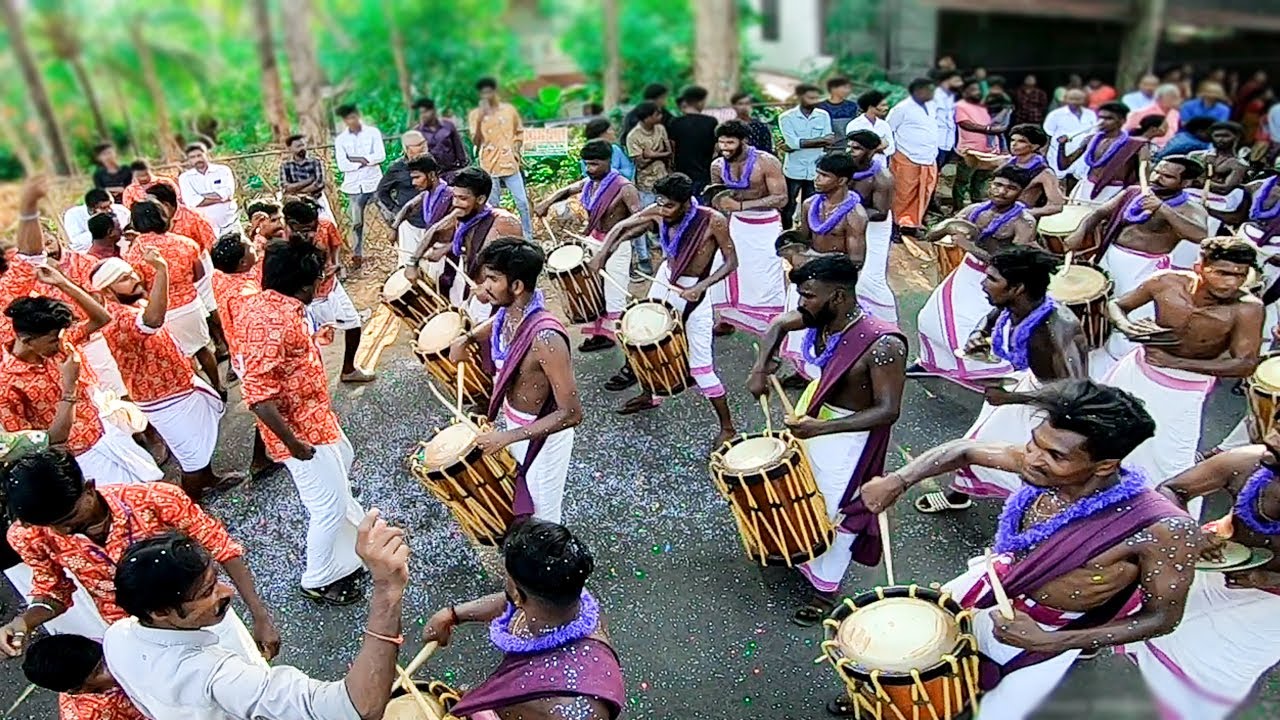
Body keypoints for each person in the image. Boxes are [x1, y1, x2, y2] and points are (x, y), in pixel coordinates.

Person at [858, 379, 1197, 720]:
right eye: (1034, 444)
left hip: (1049, 633)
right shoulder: (1040, 464)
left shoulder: (1162, 529)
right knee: (909, 656)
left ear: (1105, 465)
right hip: (993, 584)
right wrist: (899, 480)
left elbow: (1162, 618)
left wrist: (1050, 643)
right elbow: (964, 449)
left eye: (1055, 456)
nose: (1032, 459)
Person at [104, 514, 405, 720]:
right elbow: (356, 707)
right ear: (160, 612)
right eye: (207, 591)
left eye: (217, 579)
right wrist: (386, 590)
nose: (226, 593)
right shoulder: (216, 677)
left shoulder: (116, 637)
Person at [0, 447, 278, 665]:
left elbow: (224, 548)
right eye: (52, 526)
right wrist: (23, 622)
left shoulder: (155, 500)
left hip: (205, 615)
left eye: (70, 517)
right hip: (140, 638)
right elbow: (53, 592)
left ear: (89, 489)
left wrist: (260, 616)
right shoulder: (29, 536)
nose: (63, 531)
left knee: (249, 682)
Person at [748, 255, 905, 621]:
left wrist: (821, 428)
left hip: (850, 436)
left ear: (837, 297)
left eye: (808, 296)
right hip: (815, 417)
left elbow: (888, 410)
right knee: (801, 491)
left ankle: (825, 590)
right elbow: (778, 323)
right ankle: (800, 548)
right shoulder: (822, 317)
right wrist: (760, 367)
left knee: (838, 510)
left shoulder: (882, 344)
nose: (802, 304)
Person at [239, 239, 367, 606]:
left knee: (343, 461)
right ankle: (318, 577)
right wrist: (294, 444)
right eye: (319, 278)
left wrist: (310, 340)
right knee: (326, 506)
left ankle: (352, 542)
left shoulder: (269, 304)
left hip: (316, 419)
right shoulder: (276, 320)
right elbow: (258, 397)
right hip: (303, 433)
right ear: (305, 285)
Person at [918, 246, 1087, 511]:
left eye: (993, 279)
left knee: (1029, 463)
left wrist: (1013, 398)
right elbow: (995, 315)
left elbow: (1075, 392)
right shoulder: (1018, 304)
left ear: (1018, 288)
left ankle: (1029, 517)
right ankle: (960, 494)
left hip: (1050, 407)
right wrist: (980, 332)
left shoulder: (1054, 332)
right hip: (1024, 388)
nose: (983, 284)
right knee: (977, 442)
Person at [1128, 434, 1280, 720]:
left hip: (1269, 608)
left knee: (1216, 676)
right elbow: (1172, 489)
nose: (1271, 437)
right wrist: (1190, 532)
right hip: (1214, 572)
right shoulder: (1245, 462)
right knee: (1163, 642)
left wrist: (1268, 581)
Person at [421, 519, 624, 718]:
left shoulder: (545, 705)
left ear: (519, 594)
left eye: (508, 581)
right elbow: (508, 602)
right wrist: (452, 614)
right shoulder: (572, 602)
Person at [590, 173, 738, 445]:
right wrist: (602, 253)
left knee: (701, 368)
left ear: (686, 203)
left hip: (694, 292)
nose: (662, 209)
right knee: (641, 340)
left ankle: (727, 427)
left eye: (669, 205)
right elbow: (624, 226)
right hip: (664, 279)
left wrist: (702, 285)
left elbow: (732, 263)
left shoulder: (712, 220)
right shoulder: (660, 209)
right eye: (660, 203)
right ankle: (650, 395)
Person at [1100, 238, 1261, 485]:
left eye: (1239, 275)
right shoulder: (1166, 281)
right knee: (1103, 433)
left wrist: (1173, 363)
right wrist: (1127, 327)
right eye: (1222, 273)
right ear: (1199, 267)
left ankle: (1170, 516)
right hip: (1135, 371)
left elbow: (1245, 365)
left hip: (1184, 391)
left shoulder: (1247, 309)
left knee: (1171, 462)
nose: (1231, 282)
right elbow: (1116, 305)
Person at [449, 239, 583, 524]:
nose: (485, 286)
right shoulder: (510, 312)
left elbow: (572, 413)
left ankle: (551, 565)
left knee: (544, 517)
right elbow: (497, 323)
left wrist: (506, 437)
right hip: (516, 424)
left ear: (518, 286)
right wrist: (468, 337)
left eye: (493, 279)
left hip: (544, 438)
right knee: (524, 497)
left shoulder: (546, 339)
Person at [89, 250, 240, 499]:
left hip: (177, 385)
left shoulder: (133, 304)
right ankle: (189, 507)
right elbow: (153, 321)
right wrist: (161, 270)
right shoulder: (117, 318)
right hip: (163, 397)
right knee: (191, 456)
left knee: (197, 444)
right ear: (106, 291)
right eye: (125, 278)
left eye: (131, 273)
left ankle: (209, 479)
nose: (135, 278)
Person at [0, 285, 163, 486]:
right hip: (82, 460)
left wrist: (61, 282)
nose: (60, 345)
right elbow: (35, 446)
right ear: (27, 340)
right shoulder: (7, 385)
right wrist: (70, 387)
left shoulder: (59, 342)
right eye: (52, 341)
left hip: (107, 432)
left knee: (153, 485)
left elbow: (102, 319)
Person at [1065, 157, 1210, 374]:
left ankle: (1120, 367)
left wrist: (1162, 208)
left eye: (1167, 176)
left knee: (1129, 315)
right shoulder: (1134, 192)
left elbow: (1200, 234)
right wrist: (1079, 232)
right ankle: (1091, 352)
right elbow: (1098, 213)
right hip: (1110, 257)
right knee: (1096, 307)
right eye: (1157, 172)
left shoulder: (1191, 208)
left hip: (1144, 267)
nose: (1157, 178)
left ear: (1186, 183)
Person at [910, 166, 1039, 384]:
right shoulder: (975, 210)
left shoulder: (1024, 222)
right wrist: (947, 228)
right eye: (997, 184)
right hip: (965, 272)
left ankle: (989, 375)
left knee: (971, 327)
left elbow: (1012, 262)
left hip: (997, 280)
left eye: (1010, 188)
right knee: (929, 318)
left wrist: (969, 246)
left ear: (1021, 193)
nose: (1001, 191)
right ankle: (931, 363)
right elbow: (932, 235)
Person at [534, 139, 642, 360]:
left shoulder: (624, 188)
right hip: (593, 240)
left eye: (594, 164)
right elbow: (569, 189)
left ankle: (631, 359)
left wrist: (611, 246)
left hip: (617, 247)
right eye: (587, 164)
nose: (590, 169)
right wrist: (547, 202)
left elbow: (641, 222)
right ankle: (603, 336)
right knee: (594, 292)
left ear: (608, 162)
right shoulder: (591, 182)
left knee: (614, 299)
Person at [406, 167, 523, 323]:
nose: (455, 203)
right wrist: (412, 263)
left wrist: (487, 288)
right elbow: (435, 230)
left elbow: (506, 267)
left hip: (502, 299)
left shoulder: (503, 223)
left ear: (480, 199)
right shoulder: (464, 215)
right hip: (478, 291)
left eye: (462, 198)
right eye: (454, 197)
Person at [124, 201, 220, 386]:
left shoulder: (134, 255)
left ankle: (204, 393)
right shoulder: (185, 243)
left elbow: (138, 288)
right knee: (202, 349)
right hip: (190, 305)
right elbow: (198, 275)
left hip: (162, 313)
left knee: (182, 358)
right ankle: (219, 386)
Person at [707, 120, 788, 336]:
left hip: (764, 225)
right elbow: (716, 196)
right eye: (721, 142)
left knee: (765, 275)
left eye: (730, 143)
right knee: (727, 270)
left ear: (744, 141)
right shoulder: (717, 165)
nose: (724, 147)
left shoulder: (767, 162)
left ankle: (771, 327)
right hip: (733, 223)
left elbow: (781, 198)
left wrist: (741, 205)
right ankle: (727, 318)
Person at [281, 198, 375, 384]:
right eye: (307, 229)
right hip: (307, 298)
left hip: (331, 286)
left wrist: (335, 264)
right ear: (292, 225)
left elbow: (335, 246)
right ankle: (315, 383)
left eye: (314, 226)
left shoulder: (324, 225)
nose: (313, 233)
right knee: (310, 342)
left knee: (353, 323)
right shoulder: (282, 244)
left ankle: (348, 370)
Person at [146, 182, 227, 359]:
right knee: (199, 315)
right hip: (178, 275)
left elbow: (212, 246)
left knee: (212, 309)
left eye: (153, 204)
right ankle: (218, 344)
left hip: (200, 266)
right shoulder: (157, 222)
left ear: (166, 205)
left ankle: (227, 344)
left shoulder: (193, 218)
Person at [469, 77, 533, 240]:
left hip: (510, 163)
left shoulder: (508, 110)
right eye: (483, 93)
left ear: (495, 92)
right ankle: (497, 237)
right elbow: (475, 141)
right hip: (489, 165)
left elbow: (519, 133)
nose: (487, 95)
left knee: (522, 203)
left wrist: (516, 152)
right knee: (493, 206)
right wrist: (479, 119)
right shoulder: (475, 114)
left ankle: (528, 236)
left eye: (489, 91)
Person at [22, 634, 142, 720]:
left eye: (105, 656)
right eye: (99, 670)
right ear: (79, 690)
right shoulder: (92, 714)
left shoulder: (99, 647)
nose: (111, 663)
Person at [844, 131, 898, 323]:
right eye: (849, 146)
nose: (850, 151)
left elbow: (880, 212)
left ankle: (886, 322)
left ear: (871, 151)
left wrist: (846, 212)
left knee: (871, 277)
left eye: (857, 148)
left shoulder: (882, 178)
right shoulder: (846, 168)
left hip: (875, 228)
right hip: (849, 224)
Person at [1059, 101, 1150, 202]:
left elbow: (1144, 179)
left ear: (1122, 121)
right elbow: (1064, 165)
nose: (1102, 121)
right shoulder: (1090, 140)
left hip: (1114, 193)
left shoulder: (1136, 145)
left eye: (1109, 118)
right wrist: (1061, 146)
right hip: (1085, 188)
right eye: (1100, 117)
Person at [332, 103, 385, 267]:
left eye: (353, 116)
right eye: (348, 118)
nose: (351, 120)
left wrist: (357, 159)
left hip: (374, 182)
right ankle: (357, 254)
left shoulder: (372, 133)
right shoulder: (341, 140)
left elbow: (380, 155)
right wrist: (363, 161)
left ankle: (400, 248)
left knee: (389, 215)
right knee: (356, 222)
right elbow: (342, 165)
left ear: (358, 115)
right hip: (354, 186)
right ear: (344, 120)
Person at [623, 100, 672, 277]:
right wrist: (655, 155)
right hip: (645, 185)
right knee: (642, 222)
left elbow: (669, 153)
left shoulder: (660, 129)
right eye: (657, 114)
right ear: (648, 117)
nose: (660, 116)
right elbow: (641, 163)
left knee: (667, 220)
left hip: (664, 182)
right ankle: (644, 259)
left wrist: (651, 154)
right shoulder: (633, 136)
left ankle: (669, 257)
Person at [887, 78, 939, 236]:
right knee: (903, 193)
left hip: (928, 157)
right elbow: (889, 130)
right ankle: (895, 226)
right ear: (918, 91)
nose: (932, 93)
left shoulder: (931, 106)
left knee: (923, 193)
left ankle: (912, 225)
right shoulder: (901, 108)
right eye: (929, 90)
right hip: (906, 157)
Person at [778, 84, 835, 229]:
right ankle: (787, 234)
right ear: (800, 97)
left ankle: (806, 234)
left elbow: (829, 141)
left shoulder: (823, 115)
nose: (814, 101)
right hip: (794, 169)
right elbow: (793, 142)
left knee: (811, 205)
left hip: (815, 169)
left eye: (816, 98)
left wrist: (799, 144)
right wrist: (819, 141)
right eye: (811, 97)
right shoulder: (786, 117)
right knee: (788, 205)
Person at [377, 130, 432, 268]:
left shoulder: (432, 163)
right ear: (407, 150)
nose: (423, 149)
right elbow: (382, 192)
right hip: (409, 223)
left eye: (424, 146)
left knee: (431, 264)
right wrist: (397, 210)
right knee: (409, 262)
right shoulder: (397, 169)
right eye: (418, 147)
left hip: (432, 221)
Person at [953, 77, 1008, 208]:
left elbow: (996, 123)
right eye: (972, 90)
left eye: (978, 90)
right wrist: (988, 130)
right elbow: (965, 124)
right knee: (963, 181)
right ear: (964, 92)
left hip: (988, 151)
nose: (977, 92)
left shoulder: (983, 107)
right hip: (969, 151)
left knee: (981, 180)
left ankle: (977, 208)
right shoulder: (960, 106)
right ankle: (958, 209)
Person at [390, 155, 453, 268]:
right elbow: (408, 207)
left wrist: (414, 260)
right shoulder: (427, 194)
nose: (413, 182)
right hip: (430, 252)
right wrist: (394, 227)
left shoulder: (450, 196)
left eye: (417, 177)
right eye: (412, 178)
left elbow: (436, 230)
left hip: (446, 256)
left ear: (432, 175)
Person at [999, 124, 1065, 217]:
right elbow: (980, 161)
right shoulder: (1006, 162)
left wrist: (1022, 214)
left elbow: (1056, 206)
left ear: (1035, 146)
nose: (1014, 144)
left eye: (1021, 141)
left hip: (1020, 219)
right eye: (1012, 140)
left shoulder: (1045, 173)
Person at [667, 85, 718, 197]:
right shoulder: (711, 122)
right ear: (700, 102)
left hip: (681, 174)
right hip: (704, 173)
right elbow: (716, 149)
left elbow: (671, 149)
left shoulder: (675, 123)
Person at [177, 144, 239, 236]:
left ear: (206, 154)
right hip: (205, 227)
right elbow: (192, 202)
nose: (197, 159)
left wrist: (203, 197)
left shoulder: (223, 170)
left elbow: (228, 193)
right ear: (189, 160)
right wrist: (220, 198)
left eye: (199, 155)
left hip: (230, 221)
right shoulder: (185, 178)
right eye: (193, 157)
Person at [1043, 88, 1097, 188]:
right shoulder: (1055, 115)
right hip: (1059, 154)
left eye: (1078, 99)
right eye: (1072, 99)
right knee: (1058, 184)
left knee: (1078, 183)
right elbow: (1048, 136)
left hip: (1082, 155)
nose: (1075, 102)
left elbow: (1094, 132)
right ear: (1065, 99)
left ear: (1084, 100)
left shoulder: (1090, 114)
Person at [413, 97, 468, 182]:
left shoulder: (448, 126)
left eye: (425, 112)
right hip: (432, 177)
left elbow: (459, 148)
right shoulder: (418, 132)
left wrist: (463, 168)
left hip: (452, 172)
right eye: (421, 113)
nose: (423, 115)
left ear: (433, 111)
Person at [279, 134, 332, 221]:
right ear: (290, 149)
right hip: (295, 203)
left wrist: (300, 193)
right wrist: (309, 180)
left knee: (325, 224)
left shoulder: (315, 162)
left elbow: (319, 183)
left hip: (316, 199)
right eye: (298, 146)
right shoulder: (285, 166)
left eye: (303, 145)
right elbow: (285, 187)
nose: (302, 148)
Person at [63, 189, 129, 254]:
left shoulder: (120, 210)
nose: (109, 210)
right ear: (92, 209)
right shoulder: (73, 215)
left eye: (109, 205)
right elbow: (77, 242)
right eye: (103, 208)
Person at [1123, 84, 1181, 150]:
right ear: (1160, 98)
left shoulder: (1176, 114)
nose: (1176, 98)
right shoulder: (1140, 113)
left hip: (1169, 148)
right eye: (1172, 96)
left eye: (1177, 96)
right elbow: (1125, 133)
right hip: (1145, 147)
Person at [846, 90, 895, 157]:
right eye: (883, 105)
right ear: (871, 107)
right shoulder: (854, 125)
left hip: (881, 165)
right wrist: (878, 148)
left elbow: (891, 149)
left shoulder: (884, 125)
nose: (886, 108)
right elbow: (854, 148)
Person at [818, 76, 861, 152]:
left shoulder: (853, 106)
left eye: (849, 88)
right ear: (833, 89)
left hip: (847, 149)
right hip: (826, 150)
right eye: (845, 87)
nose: (848, 90)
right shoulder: (820, 107)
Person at [931, 70, 962, 171]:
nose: (960, 83)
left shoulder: (952, 97)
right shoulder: (934, 96)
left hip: (948, 142)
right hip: (936, 141)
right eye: (956, 80)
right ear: (946, 81)